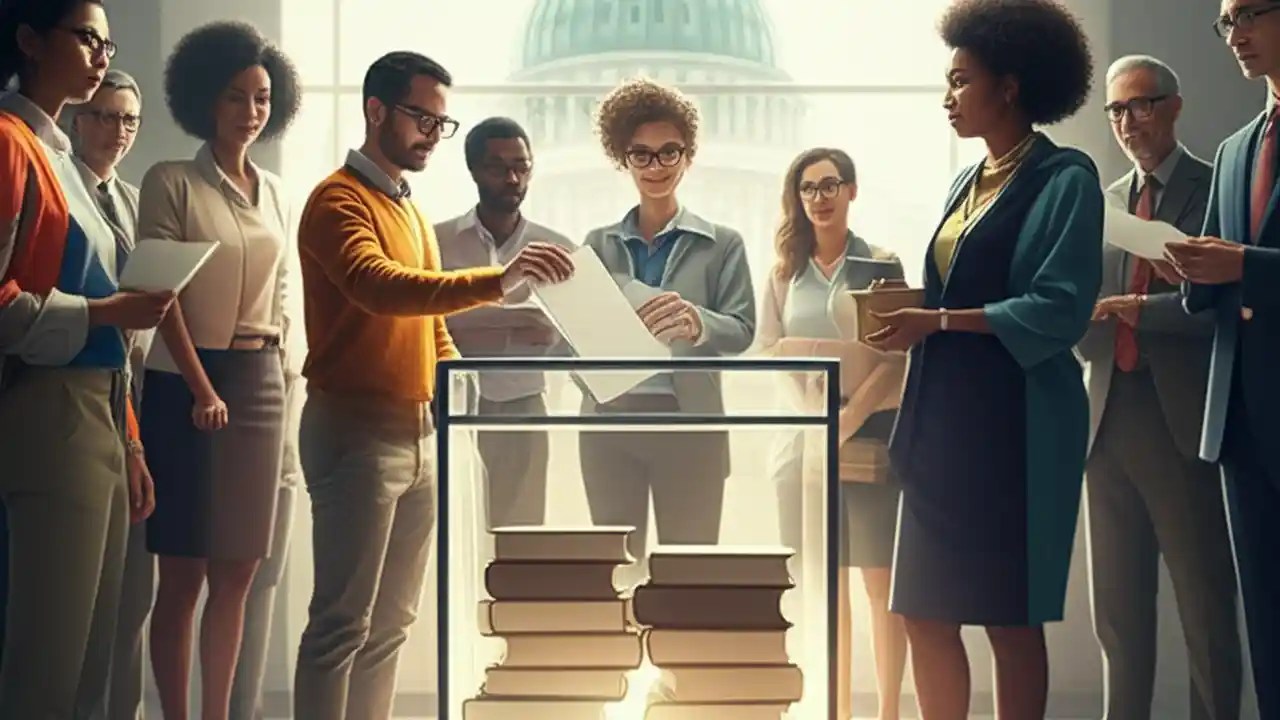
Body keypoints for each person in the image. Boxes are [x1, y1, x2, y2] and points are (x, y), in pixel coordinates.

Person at [293, 51, 573, 720]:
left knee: (391, 626)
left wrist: (458, 390)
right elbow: (379, 288)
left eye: (440, 123)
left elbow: (432, 328)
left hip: (419, 430)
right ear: (376, 110)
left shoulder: (410, 211)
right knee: (341, 624)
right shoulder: (337, 200)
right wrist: (499, 285)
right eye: (423, 118)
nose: (430, 134)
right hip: (355, 428)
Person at [864, 1, 1102, 718]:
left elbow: (1056, 308)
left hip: (1014, 427)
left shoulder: (1067, 179)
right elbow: (960, 287)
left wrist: (933, 318)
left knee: (1008, 616)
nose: (948, 98)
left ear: (1011, 84)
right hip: (941, 423)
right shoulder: (964, 185)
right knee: (924, 613)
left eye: (962, 81)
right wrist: (909, 308)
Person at [0, 0, 170, 716]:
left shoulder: (65, 162)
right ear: (31, 40)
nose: (102, 53)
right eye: (87, 37)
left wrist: (130, 438)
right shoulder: (9, 143)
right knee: (50, 653)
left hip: (101, 405)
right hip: (46, 406)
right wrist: (106, 313)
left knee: (94, 649)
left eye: (108, 41)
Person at [136, 21, 300, 720]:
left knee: (239, 570)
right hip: (184, 384)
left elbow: (283, 292)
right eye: (236, 98)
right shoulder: (171, 181)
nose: (251, 111)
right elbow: (159, 295)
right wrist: (202, 387)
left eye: (262, 98)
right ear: (206, 100)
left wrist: (284, 377)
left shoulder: (276, 191)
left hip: (260, 385)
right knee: (182, 573)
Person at [1078, 54, 1241, 720]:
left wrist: (1143, 311)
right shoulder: (1104, 202)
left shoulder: (1216, 188)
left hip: (1183, 422)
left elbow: (1226, 307)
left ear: (1175, 106)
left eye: (1141, 104)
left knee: (1205, 611)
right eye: (1116, 109)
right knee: (1116, 618)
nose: (1127, 120)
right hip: (1105, 420)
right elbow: (1086, 310)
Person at [577, 77, 755, 581]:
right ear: (623, 159)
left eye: (668, 152)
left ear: (688, 155)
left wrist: (699, 323)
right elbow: (570, 340)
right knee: (615, 575)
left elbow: (742, 329)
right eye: (642, 155)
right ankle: (615, 664)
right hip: (609, 427)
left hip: (689, 424)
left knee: (690, 576)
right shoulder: (597, 244)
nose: (656, 167)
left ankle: (685, 664)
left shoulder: (723, 244)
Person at [755, 147, 908, 720]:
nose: (819, 198)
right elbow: (769, 353)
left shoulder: (881, 266)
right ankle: (836, 711)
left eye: (830, 185)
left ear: (851, 190)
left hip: (867, 437)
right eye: (808, 188)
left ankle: (888, 711)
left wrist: (847, 418)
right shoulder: (781, 273)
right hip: (802, 442)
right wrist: (824, 386)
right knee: (826, 588)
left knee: (880, 584)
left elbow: (893, 357)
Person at [1164, 2, 1280, 714]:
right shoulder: (1236, 148)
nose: (1234, 34)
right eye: (1224, 21)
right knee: (1263, 620)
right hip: (1238, 419)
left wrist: (1241, 263)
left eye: (1250, 14)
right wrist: (1190, 273)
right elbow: (1209, 291)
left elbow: (1242, 262)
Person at [65, 67, 163, 720]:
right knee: (73, 604)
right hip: (70, 392)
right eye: (104, 116)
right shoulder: (63, 190)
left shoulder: (129, 200)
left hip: (133, 396)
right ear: (76, 119)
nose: (117, 132)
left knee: (133, 597)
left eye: (129, 120)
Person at [436, 116, 573, 531]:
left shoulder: (559, 249)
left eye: (522, 166)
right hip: (446, 404)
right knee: (450, 532)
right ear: (474, 170)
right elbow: (424, 323)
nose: (513, 177)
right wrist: (516, 329)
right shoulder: (435, 243)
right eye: (498, 168)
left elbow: (573, 339)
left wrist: (471, 319)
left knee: (519, 535)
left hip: (525, 405)